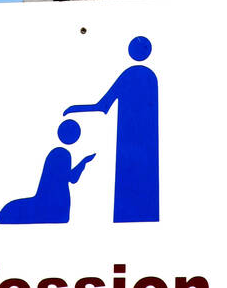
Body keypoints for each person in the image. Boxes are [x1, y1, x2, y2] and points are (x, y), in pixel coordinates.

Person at [63, 35, 158, 222]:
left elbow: (101, 105)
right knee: (143, 194)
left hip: (129, 144)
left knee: (129, 192)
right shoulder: (149, 77)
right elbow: (104, 105)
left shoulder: (130, 75)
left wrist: (77, 109)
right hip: (144, 146)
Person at [0, 119, 95, 224]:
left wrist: (83, 162)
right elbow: (72, 178)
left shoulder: (59, 153)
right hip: (57, 205)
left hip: (58, 203)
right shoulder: (62, 154)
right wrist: (84, 162)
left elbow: (71, 177)